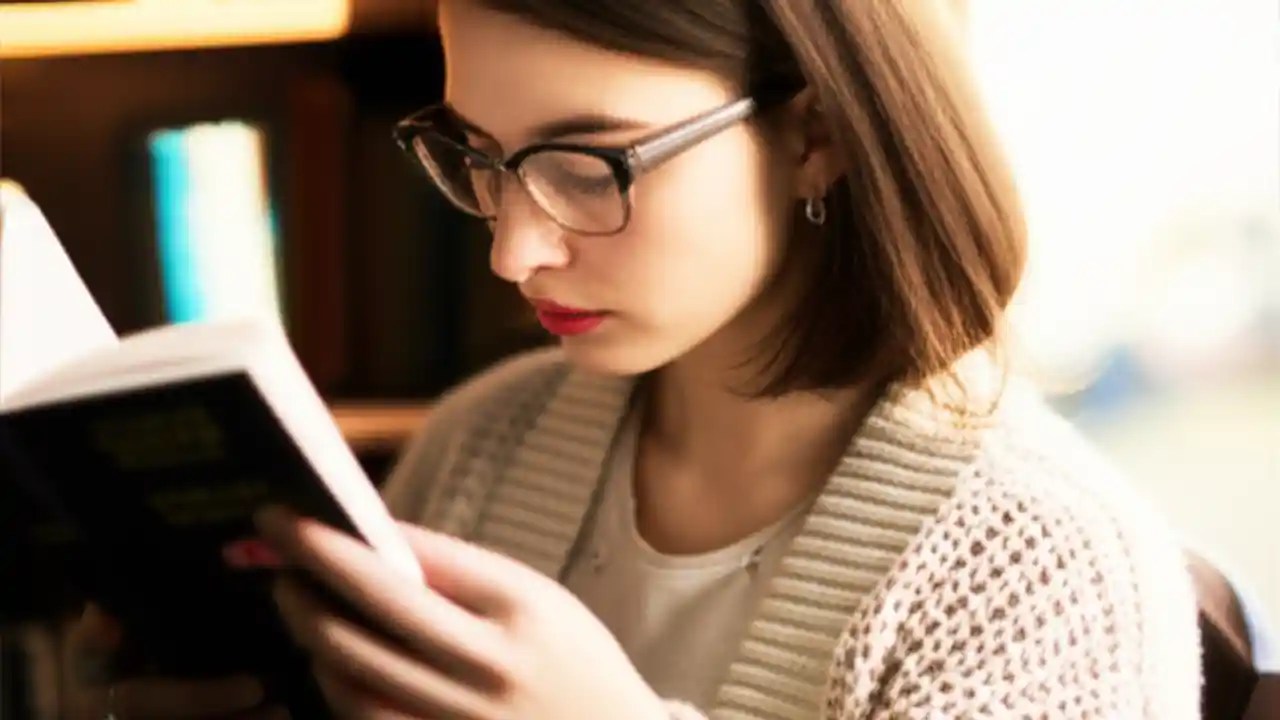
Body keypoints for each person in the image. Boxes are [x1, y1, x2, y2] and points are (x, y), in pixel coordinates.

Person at [66, 0, 1203, 717]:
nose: (513, 249)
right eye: (481, 158)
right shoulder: (480, 445)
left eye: (585, 163)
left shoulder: (1046, 572)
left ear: (815, 136)